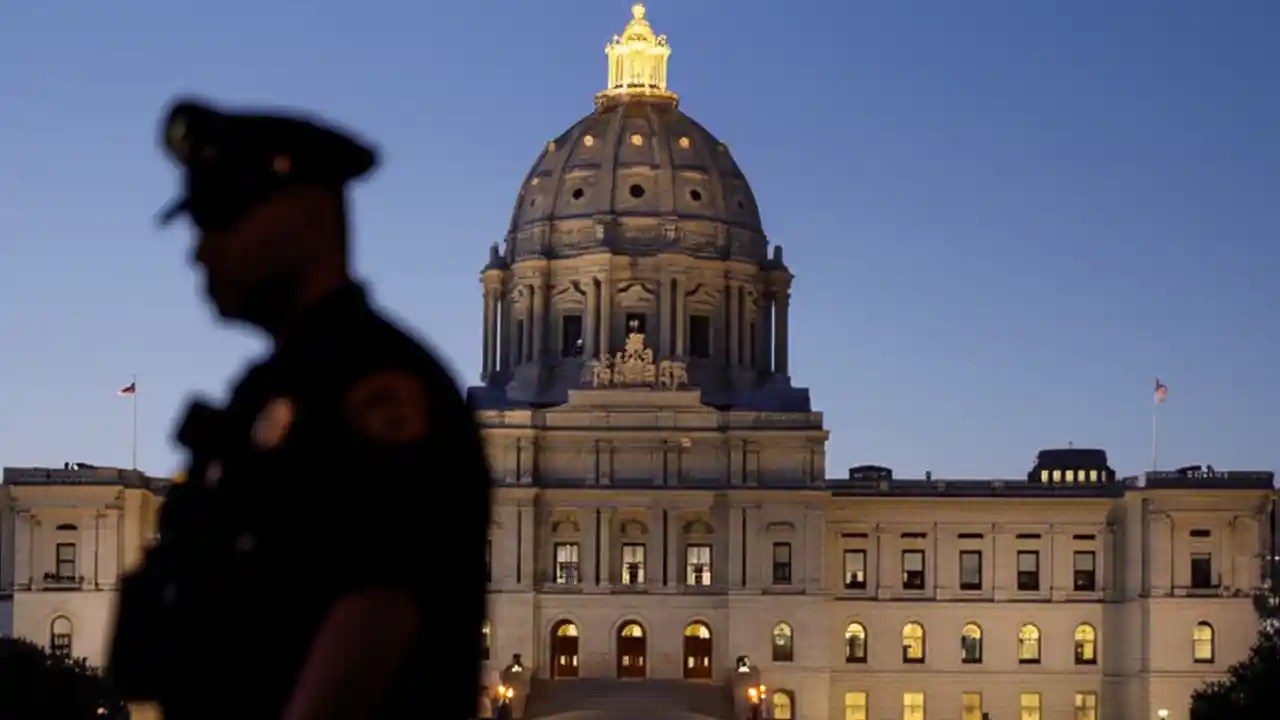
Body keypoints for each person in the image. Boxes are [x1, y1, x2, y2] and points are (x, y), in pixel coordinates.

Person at [107, 96, 492, 719]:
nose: (200, 250)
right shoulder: (270, 390)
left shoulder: (376, 386)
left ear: (304, 218)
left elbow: (379, 603)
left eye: (220, 215)